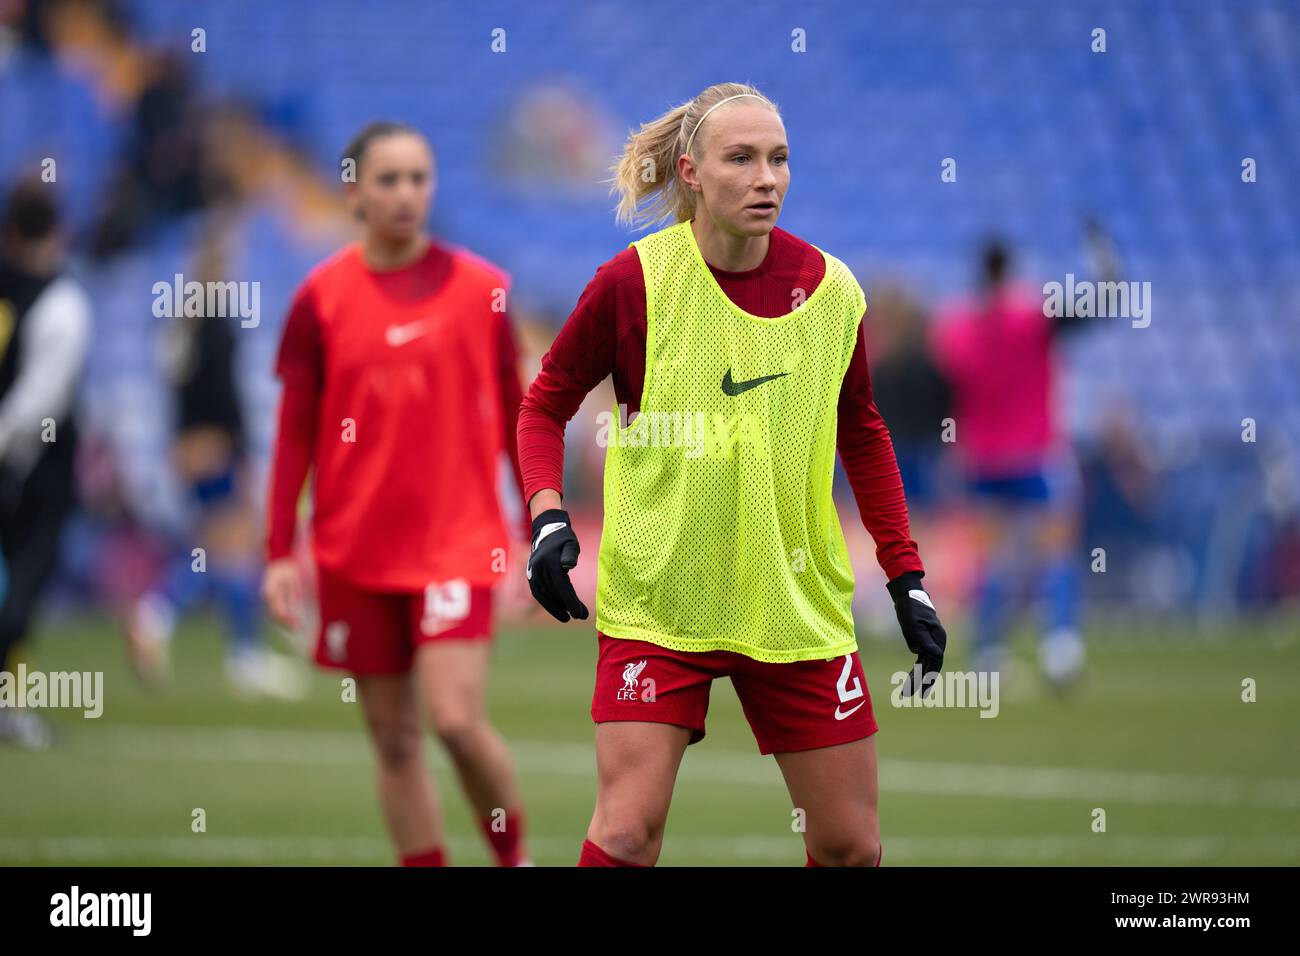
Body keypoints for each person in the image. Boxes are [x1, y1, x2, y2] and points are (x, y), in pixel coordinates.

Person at [517, 83, 947, 867]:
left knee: (852, 846)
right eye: (742, 159)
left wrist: (905, 575)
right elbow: (543, 407)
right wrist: (548, 518)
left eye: (779, 159)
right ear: (690, 172)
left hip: (793, 601)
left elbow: (864, 432)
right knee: (624, 831)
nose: (767, 178)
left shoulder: (834, 292)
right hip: (661, 600)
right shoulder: (632, 284)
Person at [263, 122, 532, 867]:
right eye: (389, 179)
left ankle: (516, 859)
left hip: (457, 539)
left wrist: (539, 524)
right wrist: (281, 548)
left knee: (452, 718)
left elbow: (522, 416)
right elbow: (294, 434)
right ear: (353, 189)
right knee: (392, 736)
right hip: (354, 548)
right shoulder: (319, 299)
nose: (407, 194)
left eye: (419, 177)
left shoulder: (486, 291)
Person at [933, 235, 1103, 688]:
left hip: (983, 460)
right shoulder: (1033, 315)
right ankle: (1060, 647)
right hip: (1035, 455)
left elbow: (944, 390)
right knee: (1056, 553)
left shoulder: (956, 326)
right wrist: (1105, 267)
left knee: (992, 560)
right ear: (1010, 268)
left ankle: (988, 651)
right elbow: (1093, 309)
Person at [0, 176, 91, 749]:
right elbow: (40, 400)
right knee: (27, 585)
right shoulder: (62, 300)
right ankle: (14, 704)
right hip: (34, 466)